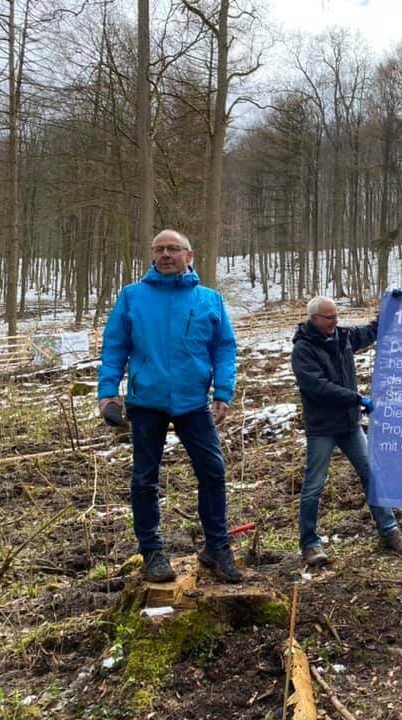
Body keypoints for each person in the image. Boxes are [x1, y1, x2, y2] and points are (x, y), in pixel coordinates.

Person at [98, 229, 241, 584]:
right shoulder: (132, 297)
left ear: (189, 255)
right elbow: (114, 347)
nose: (165, 254)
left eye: (173, 249)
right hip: (147, 401)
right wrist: (108, 393)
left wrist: (222, 391)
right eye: (159, 249)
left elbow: (224, 348)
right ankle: (152, 551)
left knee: (213, 471)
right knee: (145, 478)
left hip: (193, 402)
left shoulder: (209, 299)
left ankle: (217, 547)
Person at [291, 293, 402, 566]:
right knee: (314, 485)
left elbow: (372, 331)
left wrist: (390, 307)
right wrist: (356, 399)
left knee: (373, 474)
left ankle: (389, 531)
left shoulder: (343, 337)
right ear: (314, 319)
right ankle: (310, 544)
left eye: (337, 316)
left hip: (349, 424)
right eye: (330, 317)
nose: (336, 321)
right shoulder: (303, 350)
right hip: (323, 428)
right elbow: (317, 386)